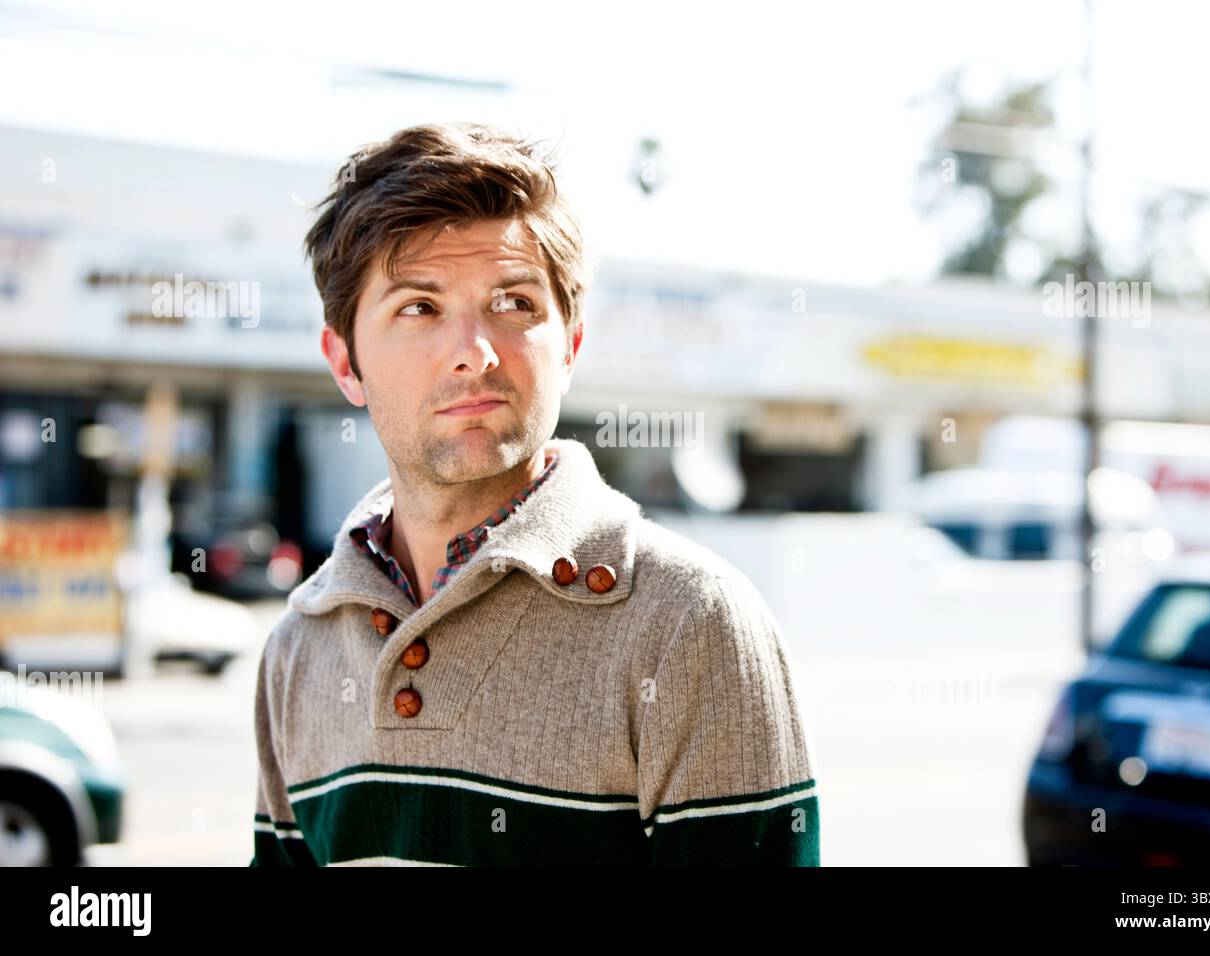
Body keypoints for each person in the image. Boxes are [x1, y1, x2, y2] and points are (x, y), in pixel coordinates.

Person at [250, 122, 820, 865]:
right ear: (345, 363)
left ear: (572, 346)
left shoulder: (692, 622)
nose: (474, 353)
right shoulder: (300, 645)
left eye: (513, 303)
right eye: (418, 308)